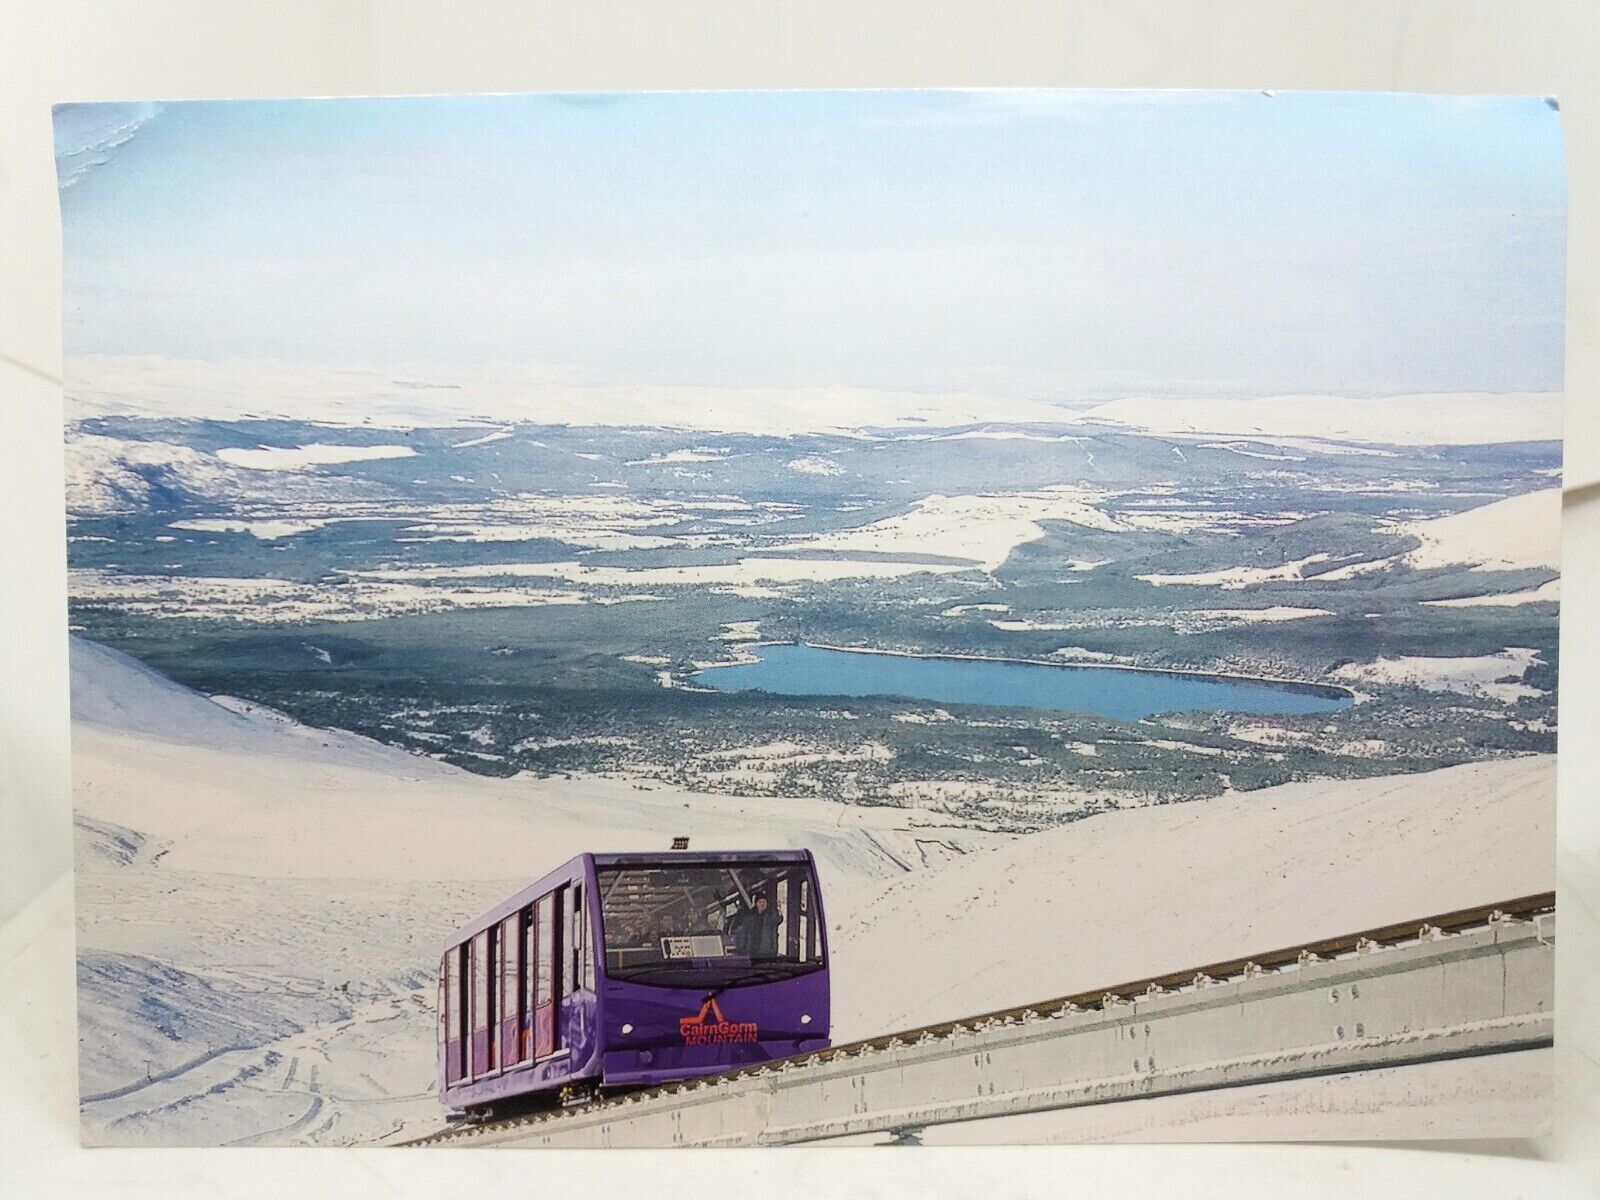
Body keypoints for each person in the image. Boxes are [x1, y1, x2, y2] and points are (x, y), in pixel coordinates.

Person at [726, 890, 782, 958]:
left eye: (764, 902)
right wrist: (741, 949)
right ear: (756, 903)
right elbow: (743, 933)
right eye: (760, 902)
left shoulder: (770, 916)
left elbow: (778, 920)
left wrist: (775, 909)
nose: (762, 904)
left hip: (767, 952)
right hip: (751, 951)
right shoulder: (749, 916)